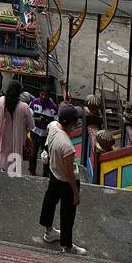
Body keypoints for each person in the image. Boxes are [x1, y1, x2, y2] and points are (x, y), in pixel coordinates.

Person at [39, 104, 87, 255]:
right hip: (66, 181)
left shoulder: (53, 125)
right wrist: (76, 193)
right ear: (71, 123)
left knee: (50, 200)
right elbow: (69, 173)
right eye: (75, 121)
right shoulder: (67, 146)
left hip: (54, 172)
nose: (77, 123)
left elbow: (48, 135)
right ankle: (67, 246)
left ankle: (48, 232)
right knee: (68, 213)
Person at [0, 79, 33, 174]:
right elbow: (31, 125)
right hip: (18, 139)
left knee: (4, 158)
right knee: (15, 163)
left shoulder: (1, 102)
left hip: (4, 137)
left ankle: (3, 171)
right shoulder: (24, 107)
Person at [28, 89, 58, 176]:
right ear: (39, 94)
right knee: (33, 153)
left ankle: (45, 173)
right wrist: (37, 119)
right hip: (34, 132)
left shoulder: (53, 107)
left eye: (46, 95)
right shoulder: (34, 103)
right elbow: (29, 116)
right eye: (42, 94)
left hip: (46, 135)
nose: (43, 97)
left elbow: (56, 122)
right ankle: (31, 171)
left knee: (46, 155)